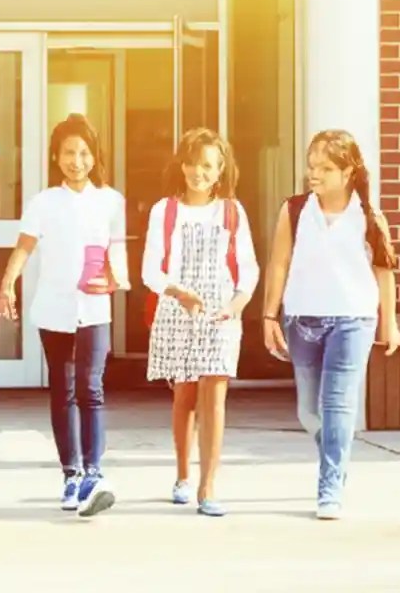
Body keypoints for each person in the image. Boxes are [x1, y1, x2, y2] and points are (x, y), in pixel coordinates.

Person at [260, 129, 400, 520]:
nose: (314, 175)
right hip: (302, 319)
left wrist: (390, 324)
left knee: (338, 405)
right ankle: (335, 450)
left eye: (324, 168)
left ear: (348, 171)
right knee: (309, 412)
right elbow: (279, 264)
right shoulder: (293, 210)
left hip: (353, 320)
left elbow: (384, 272)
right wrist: (270, 314)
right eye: (311, 166)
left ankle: (330, 486)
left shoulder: (369, 215)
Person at [0, 114, 128, 516]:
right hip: (54, 309)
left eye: (84, 152)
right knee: (64, 392)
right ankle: (71, 474)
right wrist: (6, 284)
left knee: (92, 388)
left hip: (94, 309)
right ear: (56, 156)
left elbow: (117, 252)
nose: (77, 160)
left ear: (95, 156)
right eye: (69, 152)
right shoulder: (44, 202)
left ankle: (94, 471)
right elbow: (23, 248)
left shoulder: (110, 200)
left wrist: (114, 278)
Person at [143, 127, 258, 518]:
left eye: (208, 165)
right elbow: (150, 272)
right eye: (193, 163)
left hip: (221, 310)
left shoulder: (231, 211)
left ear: (221, 168)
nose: (199, 172)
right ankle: (182, 475)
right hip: (178, 308)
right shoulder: (165, 210)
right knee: (185, 397)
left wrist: (239, 302)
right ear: (182, 165)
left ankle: (208, 486)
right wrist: (179, 294)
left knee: (215, 395)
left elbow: (249, 266)